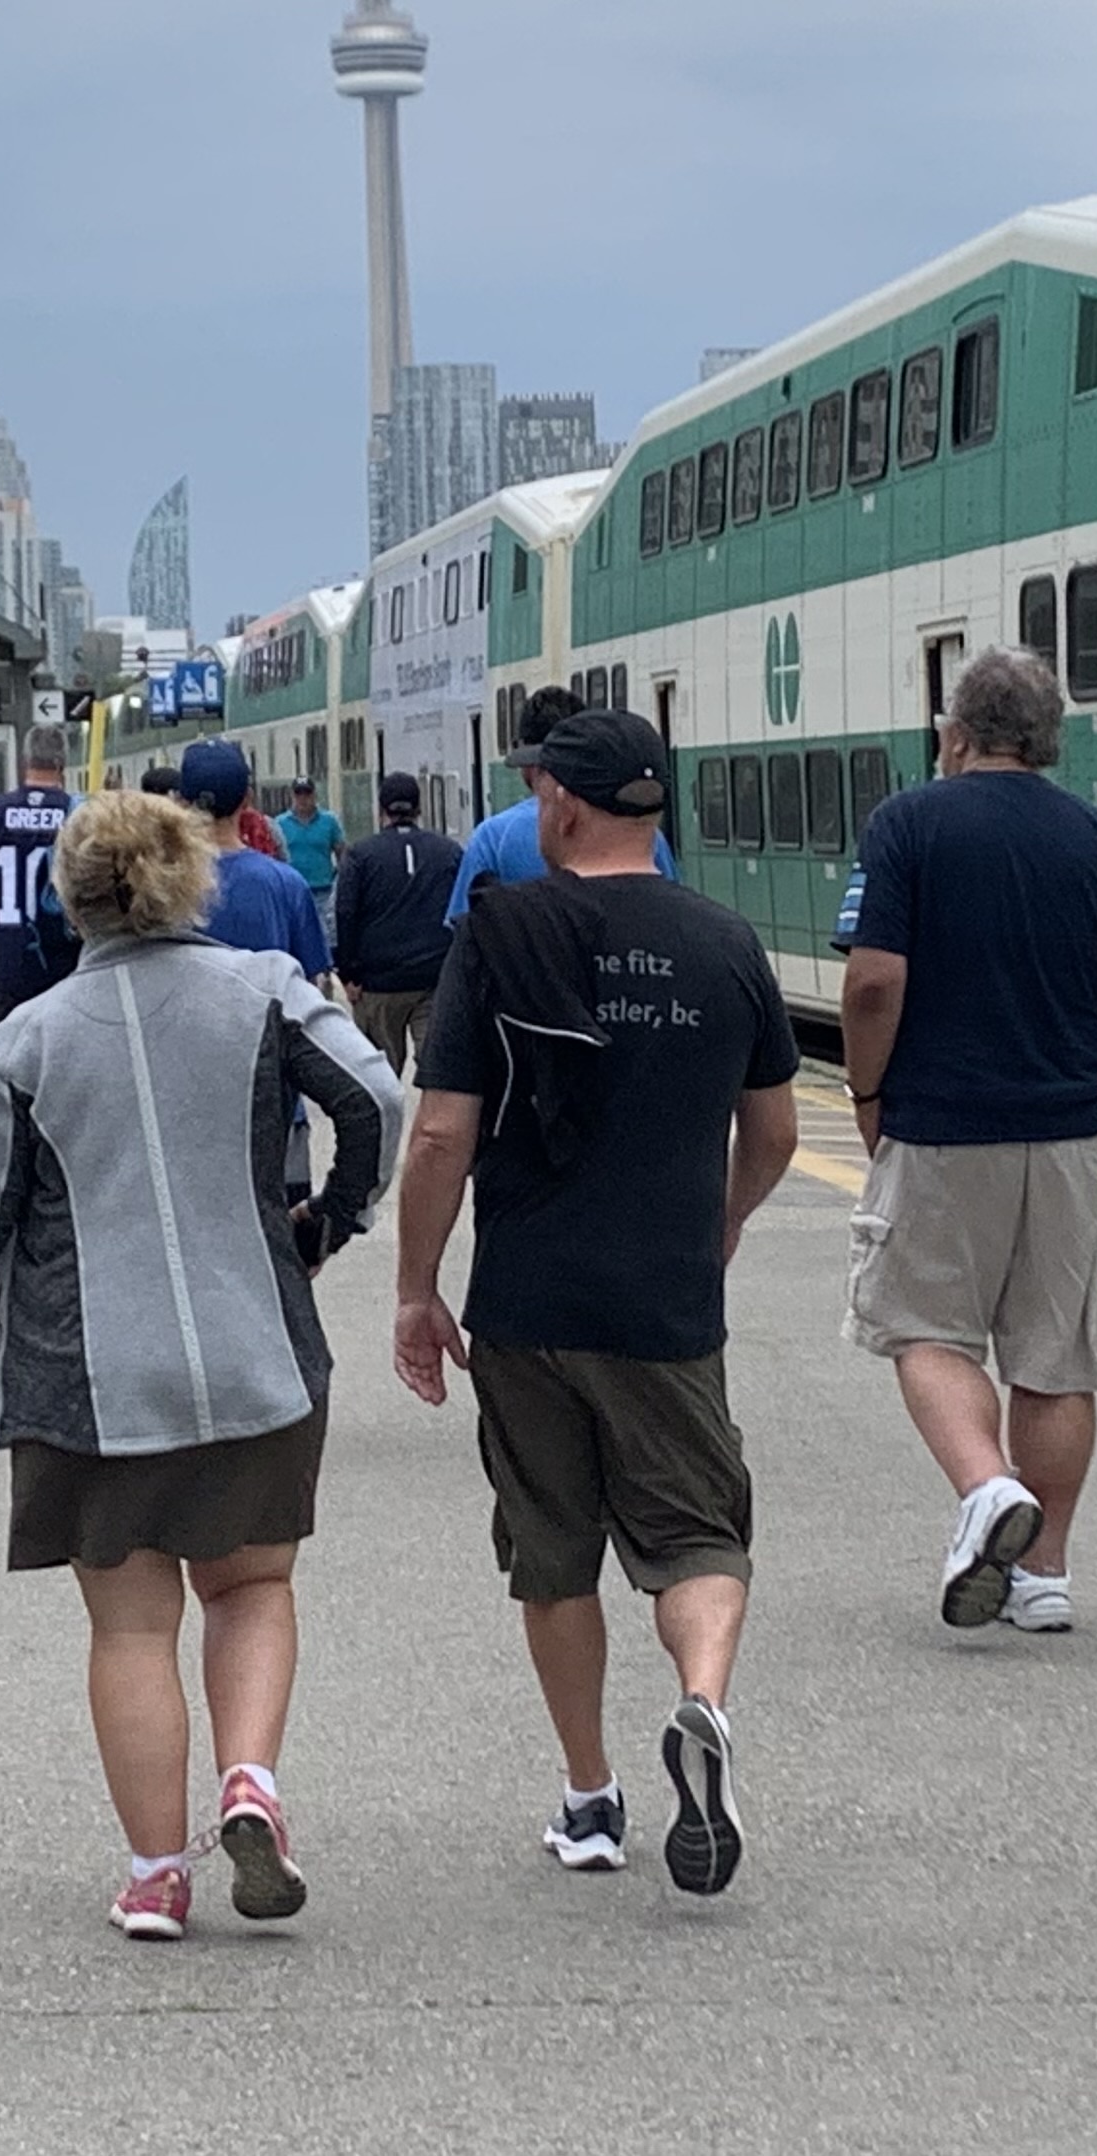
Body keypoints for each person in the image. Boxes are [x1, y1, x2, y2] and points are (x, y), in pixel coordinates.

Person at [0, 793, 401, 1943]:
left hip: (87, 1378)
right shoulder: (265, 989)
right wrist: (331, 1220)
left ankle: (158, 1874)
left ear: (72, 901)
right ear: (194, 880)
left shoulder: (25, 1042)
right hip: (256, 1348)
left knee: (130, 1628)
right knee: (252, 1588)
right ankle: (250, 1782)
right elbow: (377, 1097)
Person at [394, 710, 801, 1898]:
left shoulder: (498, 935)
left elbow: (440, 1133)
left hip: (526, 1299)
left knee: (553, 1558)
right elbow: (773, 1130)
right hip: (666, 1302)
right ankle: (703, 1700)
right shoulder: (725, 941)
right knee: (699, 1539)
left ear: (558, 807)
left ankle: (589, 1797)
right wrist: (718, 1224)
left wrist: (417, 1291)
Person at [834, 651, 1097, 1636]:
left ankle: (986, 1491)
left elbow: (870, 984)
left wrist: (867, 1092)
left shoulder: (908, 824)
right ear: (1050, 739)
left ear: (955, 734)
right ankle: (1046, 1576)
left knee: (924, 1328)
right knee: (1056, 1359)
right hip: (1069, 1132)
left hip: (940, 1128)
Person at [448, 690, 675, 922]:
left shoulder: (492, 838)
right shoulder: (642, 834)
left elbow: (462, 925)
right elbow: (670, 902)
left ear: (527, 766)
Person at [0, 728, 82, 1025]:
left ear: (25, 762)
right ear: (63, 764)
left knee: (7, 1064)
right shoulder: (80, 815)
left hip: (8, 966)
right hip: (68, 968)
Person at [330, 770, 459, 1075]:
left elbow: (345, 913)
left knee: (380, 1076)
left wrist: (348, 973)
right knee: (440, 1071)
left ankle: (389, 1124)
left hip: (379, 982)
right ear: (419, 809)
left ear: (381, 809)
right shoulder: (449, 852)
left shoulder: (361, 856)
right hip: (434, 979)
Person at [176, 742, 331, 978]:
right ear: (247, 798)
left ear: (180, 801)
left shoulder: (158, 884)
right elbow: (315, 976)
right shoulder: (287, 884)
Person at [276, 777, 346, 937]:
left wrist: (341, 883)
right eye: (298, 793)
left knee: (325, 937)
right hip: (293, 893)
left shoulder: (329, 821)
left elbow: (342, 854)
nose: (303, 798)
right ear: (292, 796)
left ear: (314, 795)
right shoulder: (280, 824)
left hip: (323, 892)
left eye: (307, 793)